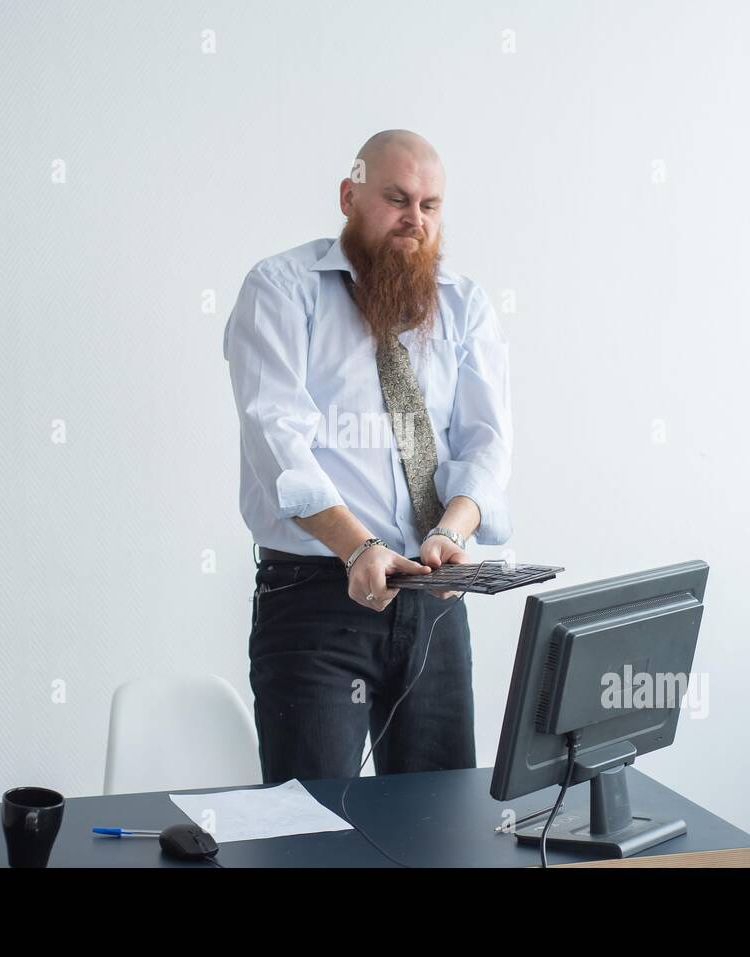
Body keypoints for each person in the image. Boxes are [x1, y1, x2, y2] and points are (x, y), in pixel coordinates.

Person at [222, 129, 513, 784]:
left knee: (441, 830)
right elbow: (278, 441)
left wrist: (449, 530)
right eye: (397, 198)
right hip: (317, 603)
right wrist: (357, 547)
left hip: (433, 603)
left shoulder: (464, 304)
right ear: (350, 196)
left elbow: (486, 442)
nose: (415, 220)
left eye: (430, 206)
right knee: (316, 836)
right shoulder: (280, 289)